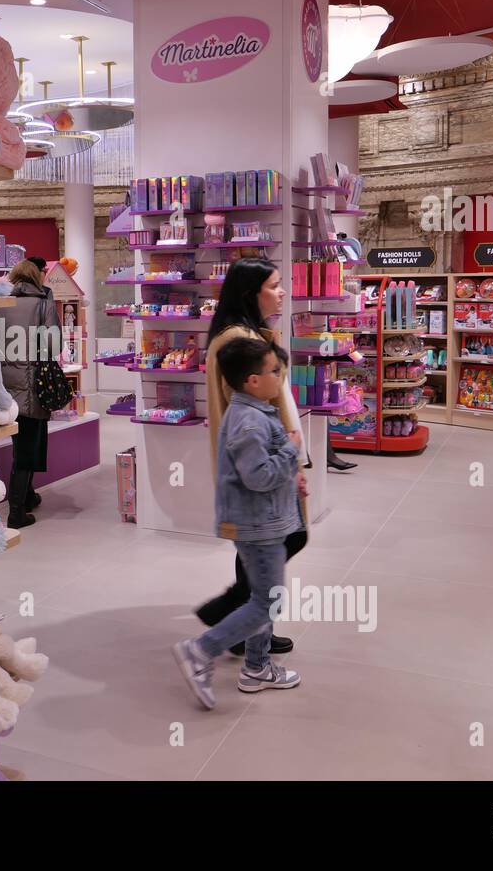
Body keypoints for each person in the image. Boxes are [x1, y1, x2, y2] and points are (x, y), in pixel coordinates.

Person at [173, 337, 302, 709]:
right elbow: (258, 477)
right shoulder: (248, 422)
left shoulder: (257, 410)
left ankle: (258, 666)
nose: (279, 377)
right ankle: (200, 650)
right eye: (273, 371)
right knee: (266, 603)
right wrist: (291, 450)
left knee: (262, 596)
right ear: (252, 380)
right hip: (258, 526)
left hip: (268, 523)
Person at [200, 258, 305, 655]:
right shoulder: (237, 342)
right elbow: (250, 412)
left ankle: (244, 623)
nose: (281, 292)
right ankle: (234, 620)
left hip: (271, 459)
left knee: (269, 545)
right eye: (274, 285)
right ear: (251, 293)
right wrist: (287, 461)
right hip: (261, 466)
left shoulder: (246, 334)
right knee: (273, 542)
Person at [0, 257, 61, 528]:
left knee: (21, 443)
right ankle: (16, 512)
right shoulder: (43, 302)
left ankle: (29, 495)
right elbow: (53, 344)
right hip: (31, 383)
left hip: (4, 385)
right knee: (27, 449)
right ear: (37, 276)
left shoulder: (0, 303)